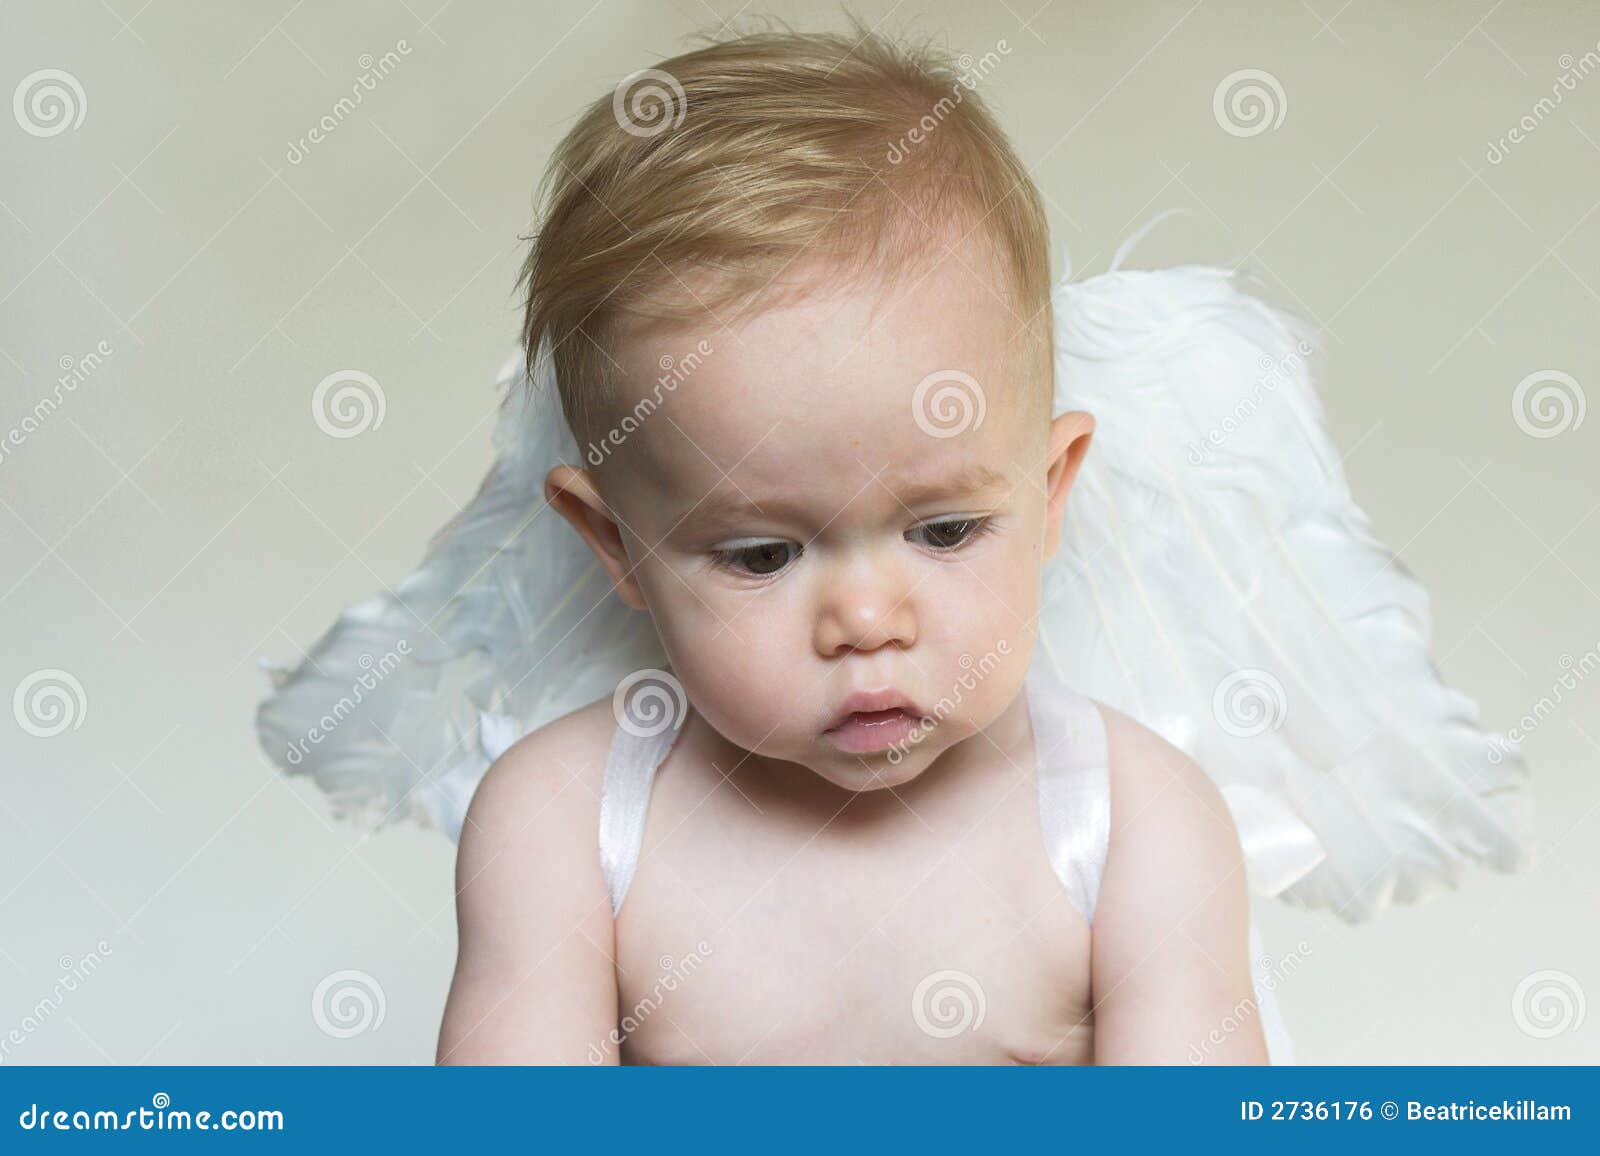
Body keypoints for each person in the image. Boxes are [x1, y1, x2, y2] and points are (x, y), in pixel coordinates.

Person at [256, 23, 1534, 1066]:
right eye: (760, 554)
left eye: (942, 528)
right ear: (617, 546)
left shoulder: (1132, 826)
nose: (867, 618)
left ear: (1052, 490)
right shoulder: (564, 829)